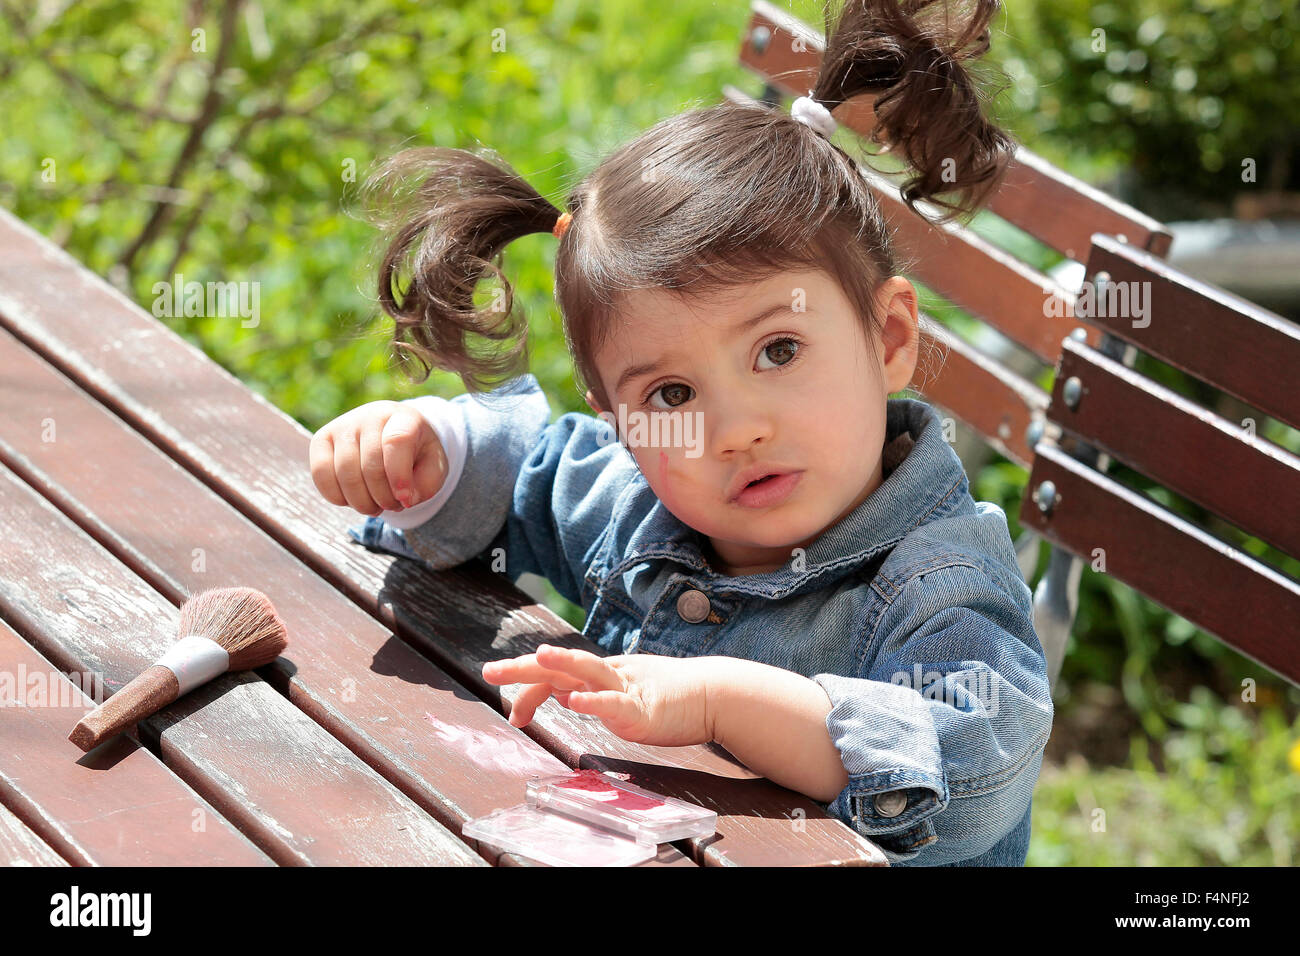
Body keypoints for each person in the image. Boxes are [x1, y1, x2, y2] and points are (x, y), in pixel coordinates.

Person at [310, 0, 1053, 865]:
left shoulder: (938, 587)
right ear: (616, 419)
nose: (734, 429)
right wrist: (425, 452)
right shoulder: (641, 504)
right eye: (670, 394)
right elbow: (525, 477)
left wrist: (720, 701)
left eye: (778, 349)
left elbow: (976, 777)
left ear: (886, 339)